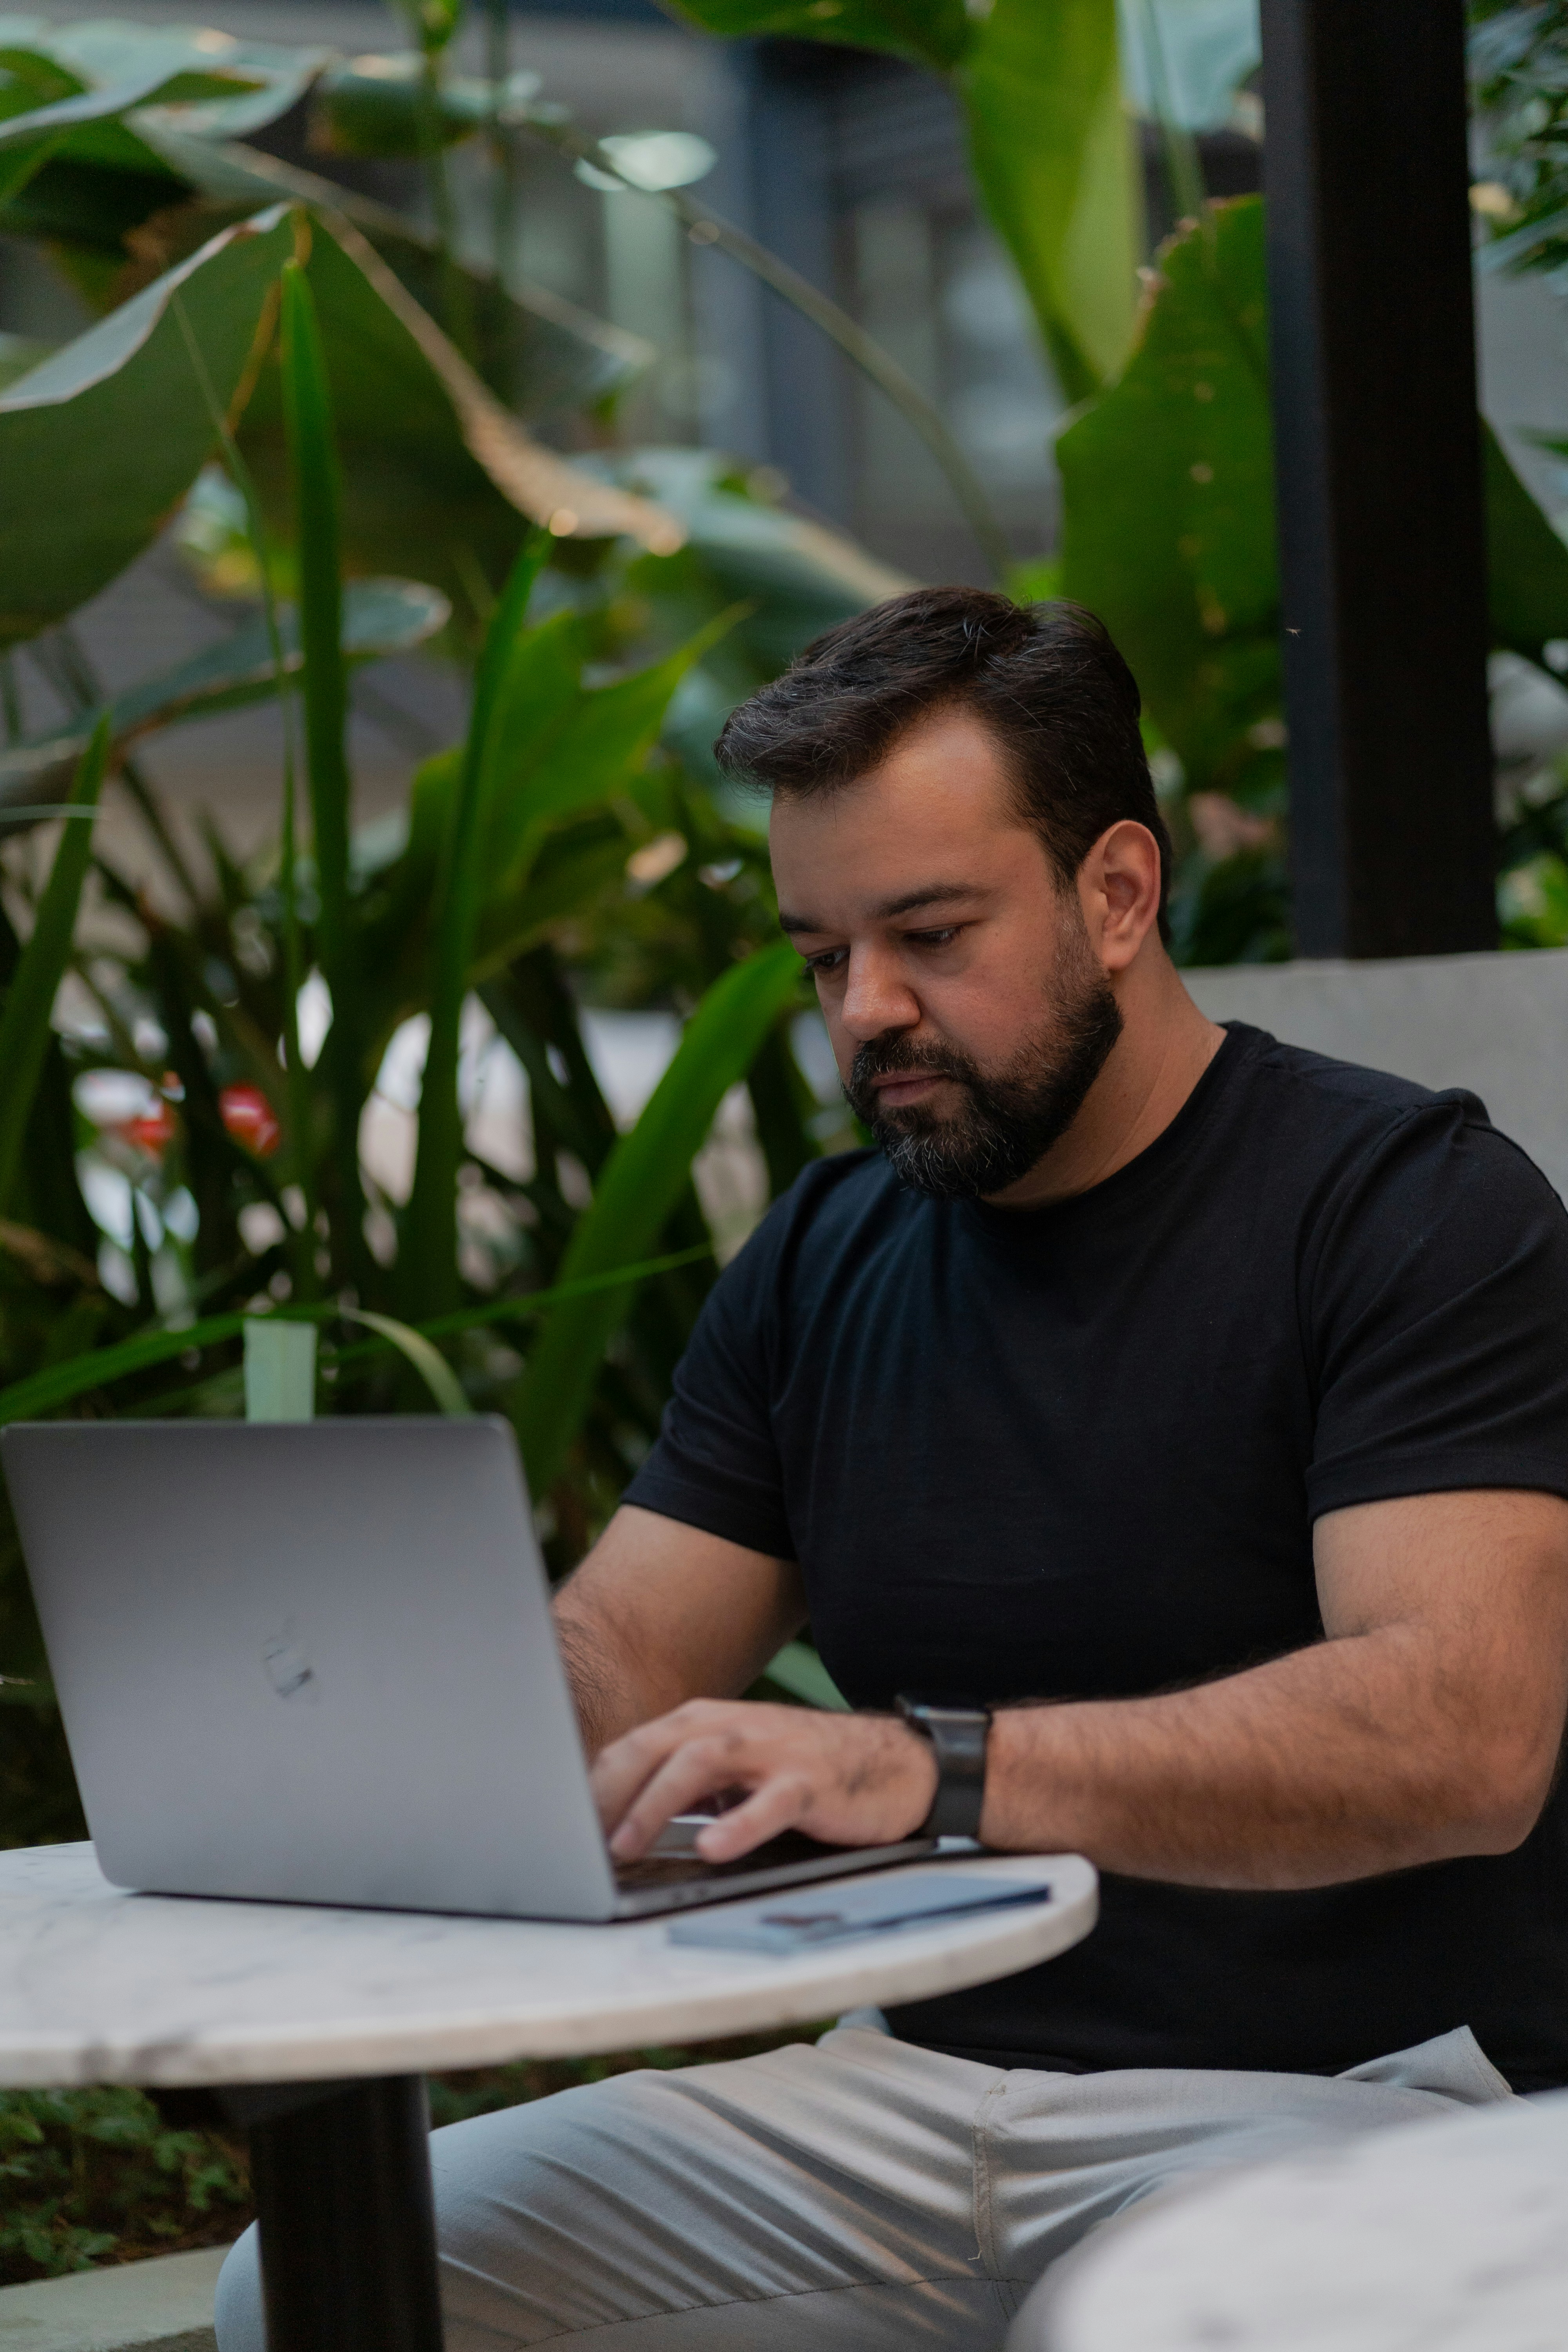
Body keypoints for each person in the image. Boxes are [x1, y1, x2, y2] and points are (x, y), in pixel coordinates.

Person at [218, 590, 1568, 2350]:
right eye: (818, 953)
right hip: (909, 2090)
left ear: (1117, 893)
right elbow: (625, 1650)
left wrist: (921, 1770)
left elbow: (1458, 1737)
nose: (866, 1012)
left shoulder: (1405, 1208)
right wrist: (416, 1724)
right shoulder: (829, 1248)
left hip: (1346, 2104)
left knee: (1166, 2322)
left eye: (928, 933)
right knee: (331, 2291)